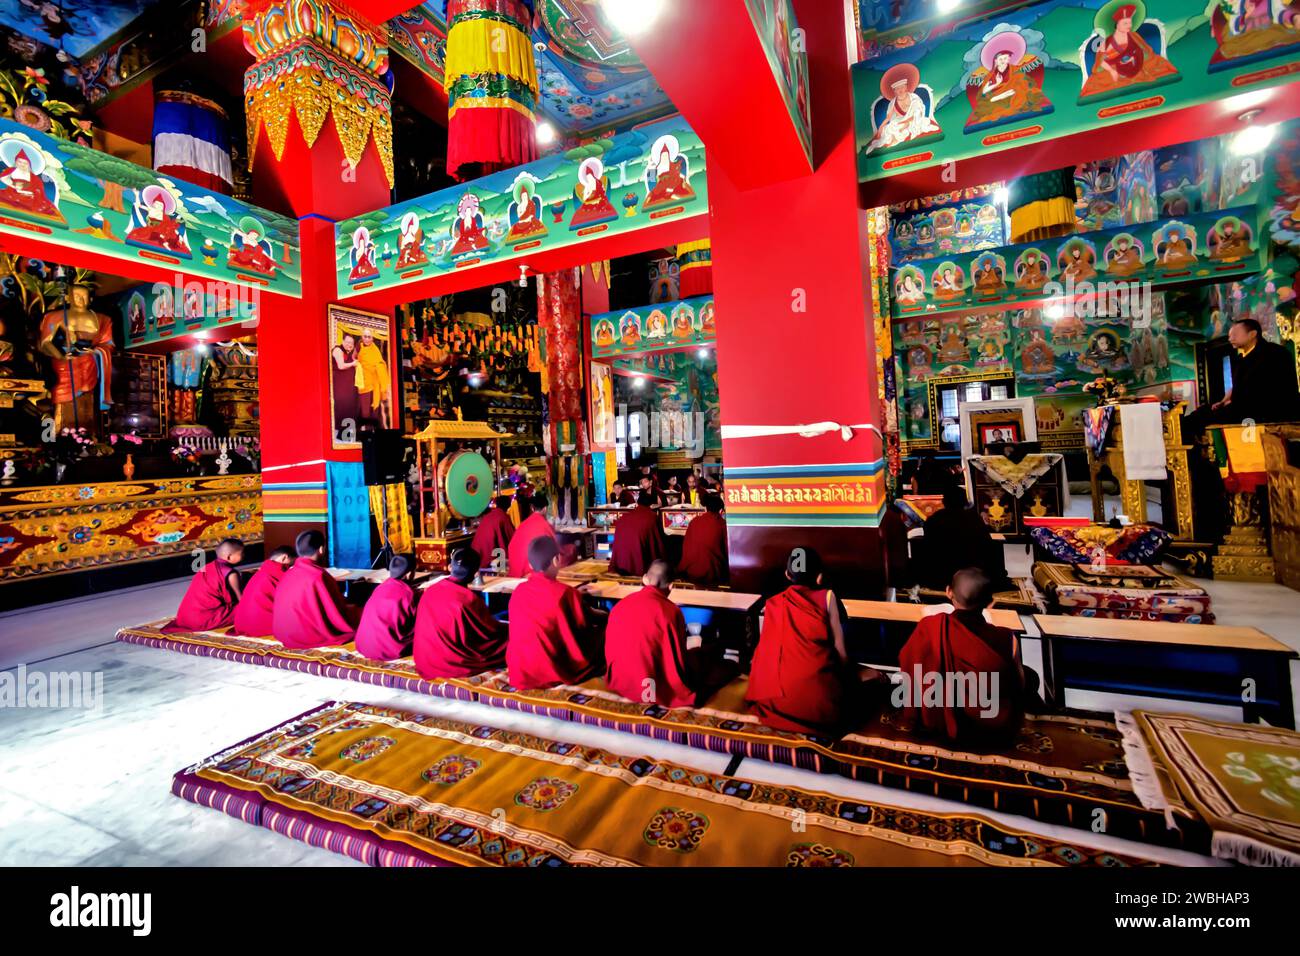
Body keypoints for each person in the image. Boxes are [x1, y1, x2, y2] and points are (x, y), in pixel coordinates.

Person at [746, 547, 879, 735]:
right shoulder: (827, 597)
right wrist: (855, 679)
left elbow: (765, 654)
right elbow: (841, 654)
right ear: (819, 577)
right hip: (819, 707)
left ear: (787, 575)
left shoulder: (773, 603)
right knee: (870, 689)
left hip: (774, 702)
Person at [896, 568, 1035, 743]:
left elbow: (908, 664)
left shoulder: (930, 626)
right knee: (1031, 678)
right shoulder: (1006, 638)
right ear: (990, 602)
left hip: (936, 722)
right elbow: (1018, 685)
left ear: (948, 592)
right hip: (990, 730)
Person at [605, 561, 734, 708]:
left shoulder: (621, 605)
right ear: (671, 586)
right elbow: (676, 659)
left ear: (645, 579)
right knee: (721, 667)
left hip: (620, 681)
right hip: (650, 687)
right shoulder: (670, 612)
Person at [506, 536, 603, 690]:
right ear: (557, 559)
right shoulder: (565, 594)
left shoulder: (518, 591)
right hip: (553, 669)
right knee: (602, 635)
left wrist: (574, 595)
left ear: (530, 564)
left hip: (521, 670)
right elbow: (586, 622)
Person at [414, 547, 508, 679]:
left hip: (425, 660)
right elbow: (490, 631)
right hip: (452, 663)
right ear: (476, 573)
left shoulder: (430, 591)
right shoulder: (468, 599)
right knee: (509, 642)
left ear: (449, 567)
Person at [272, 530, 361, 649]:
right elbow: (335, 608)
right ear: (321, 549)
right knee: (362, 614)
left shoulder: (288, 572)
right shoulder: (318, 575)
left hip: (283, 633)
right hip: (306, 635)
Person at [1206, 318, 1300, 425]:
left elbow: (1267, 389)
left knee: (1208, 419)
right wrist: (1223, 401)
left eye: (1235, 334)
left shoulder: (1274, 353)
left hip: (1269, 411)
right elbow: (1238, 387)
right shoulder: (1241, 359)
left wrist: (1235, 404)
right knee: (1203, 413)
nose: (1230, 339)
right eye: (1229, 336)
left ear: (1252, 334)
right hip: (1244, 409)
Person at [915, 485, 1007, 590]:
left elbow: (927, 548)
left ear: (945, 502)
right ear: (964, 502)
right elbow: (986, 546)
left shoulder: (935, 519)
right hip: (971, 574)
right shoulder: (974, 519)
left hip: (940, 575)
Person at [167, 538, 245, 632]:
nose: (244, 555)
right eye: (241, 553)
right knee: (246, 609)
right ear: (229, 557)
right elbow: (241, 600)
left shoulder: (207, 567)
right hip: (202, 620)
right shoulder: (231, 574)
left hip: (184, 618)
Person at [353, 554, 418, 661]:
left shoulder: (380, 587)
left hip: (364, 645)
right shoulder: (408, 594)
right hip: (388, 649)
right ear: (410, 573)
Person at [231, 545, 294, 636]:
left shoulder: (261, 571)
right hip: (260, 625)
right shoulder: (279, 572)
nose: (290, 567)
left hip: (242, 624)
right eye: (291, 564)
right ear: (284, 557)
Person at [506, 492, 572, 577]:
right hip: (532, 571)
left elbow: (512, 546)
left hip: (516, 571)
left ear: (532, 508)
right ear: (545, 509)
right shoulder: (544, 525)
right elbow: (556, 551)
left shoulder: (522, 525)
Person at [609, 490, 667, 577]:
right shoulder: (652, 517)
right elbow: (657, 541)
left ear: (637, 503)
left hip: (619, 564)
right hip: (638, 566)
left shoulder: (624, 517)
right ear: (651, 505)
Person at [677, 492, 729, 585]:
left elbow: (686, 546)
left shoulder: (694, 521)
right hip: (713, 573)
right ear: (721, 511)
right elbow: (727, 550)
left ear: (705, 508)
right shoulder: (722, 524)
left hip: (691, 571)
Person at [471, 495, 515, 572]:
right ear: (508, 505)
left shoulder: (488, 516)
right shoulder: (503, 516)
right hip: (490, 558)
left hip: (476, 556)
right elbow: (512, 537)